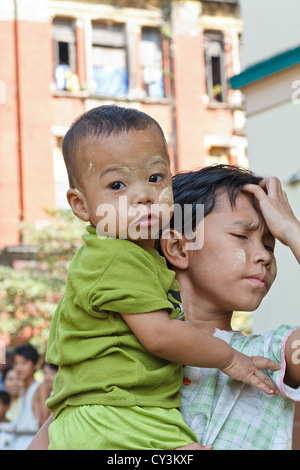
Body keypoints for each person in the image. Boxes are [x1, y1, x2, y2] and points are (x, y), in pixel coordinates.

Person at [44, 105, 279, 450]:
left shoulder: (133, 256)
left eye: (155, 178)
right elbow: (160, 335)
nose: (143, 195)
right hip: (117, 417)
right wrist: (229, 359)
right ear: (80, 205)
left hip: (123, 412)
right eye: (117, 184)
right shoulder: (115, 256)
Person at [158, 164, 300, 450]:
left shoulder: (271, 359)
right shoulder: (120, 349)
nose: (264, 256)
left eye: (272, 244)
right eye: (241, 236)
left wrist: (290, 229)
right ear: (178, 248)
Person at [6, 345, 43, 450]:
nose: (19, 367)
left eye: (24, 363)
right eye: (16, 363)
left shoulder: (39, 388)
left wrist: (8, 427)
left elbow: (40, 424)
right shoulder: (21, 390)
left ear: (36, 365)